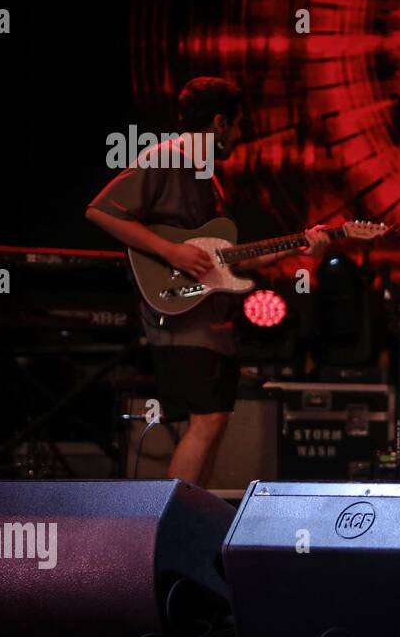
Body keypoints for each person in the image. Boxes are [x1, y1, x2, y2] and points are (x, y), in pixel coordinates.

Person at [86, 77, 329, 486]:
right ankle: (174, 523)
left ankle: (190, 517)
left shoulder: (207, 175)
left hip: (206, 315)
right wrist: (171, 252)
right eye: (236, 125)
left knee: (214, 417)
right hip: (181, 313)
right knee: (209, 417)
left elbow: (226, 256)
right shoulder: (166, 156)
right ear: (219, 122)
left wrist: (298, 247)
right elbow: (101, 211)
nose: (239, 134)